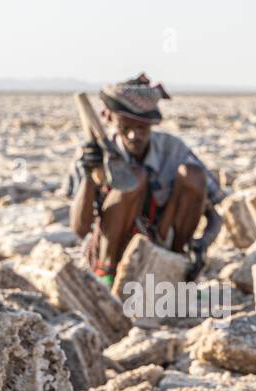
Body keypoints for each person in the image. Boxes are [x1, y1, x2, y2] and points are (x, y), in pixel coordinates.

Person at [65, 74, 223, 284]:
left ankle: (175, 266)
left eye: (141, 128)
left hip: (160, 243)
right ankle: (108, 275)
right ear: (109, 117)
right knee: (133, 179)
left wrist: (202, 244)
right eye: (125, 126)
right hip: (110, 248)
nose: (133, 136)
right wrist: (89, 176)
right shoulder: (93, 154)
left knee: (192, 174)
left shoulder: (173, 150)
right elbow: (79, 228)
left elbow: (215, 214)